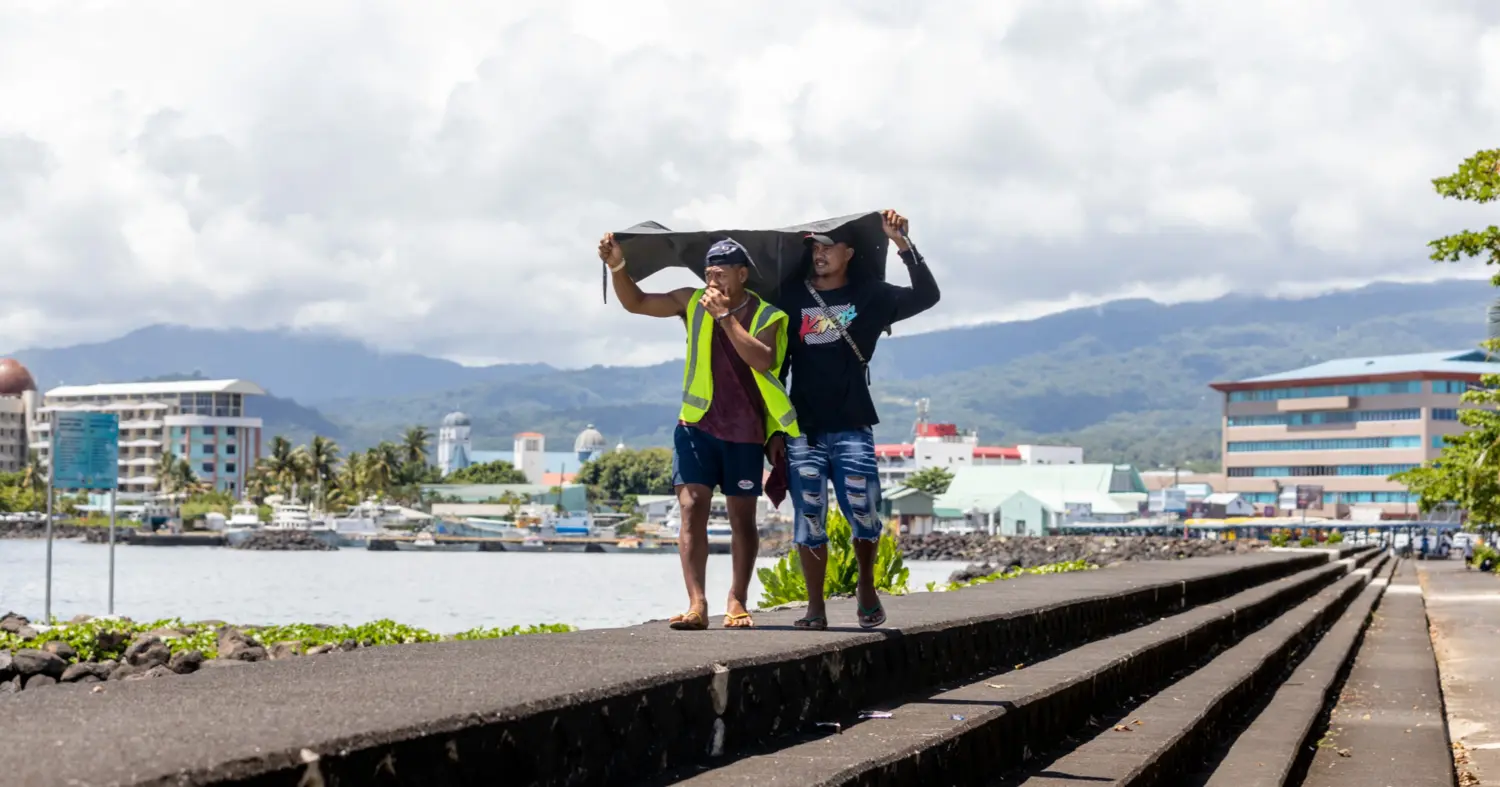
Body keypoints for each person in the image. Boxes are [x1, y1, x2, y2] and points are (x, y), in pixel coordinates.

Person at [599, 233, 799, 630]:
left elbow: (763, 359)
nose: (713, 283)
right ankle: (697, 604)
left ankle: (737, 600)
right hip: (695, 425)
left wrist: (725, 317)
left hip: (744, 430)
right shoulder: (691, 301)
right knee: (691, 509)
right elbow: (636, 302)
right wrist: (617, 266)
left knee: (742, 518)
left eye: (721, 274)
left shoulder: (768, 316)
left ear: (742, 275)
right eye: (708, 274)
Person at [775, 209, 940, 630]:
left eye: (828, 247)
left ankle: (866, 585)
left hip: (852, 425)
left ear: (848, 252)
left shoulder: (871, 295)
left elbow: (927, 295)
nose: (819, 254)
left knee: (865, 513)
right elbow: (778, 367)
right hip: (803, 429)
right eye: (814, 247)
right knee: (808, 517)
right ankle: (815, 608)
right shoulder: (791, 297)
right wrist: (773, 428)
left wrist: (903, 243)